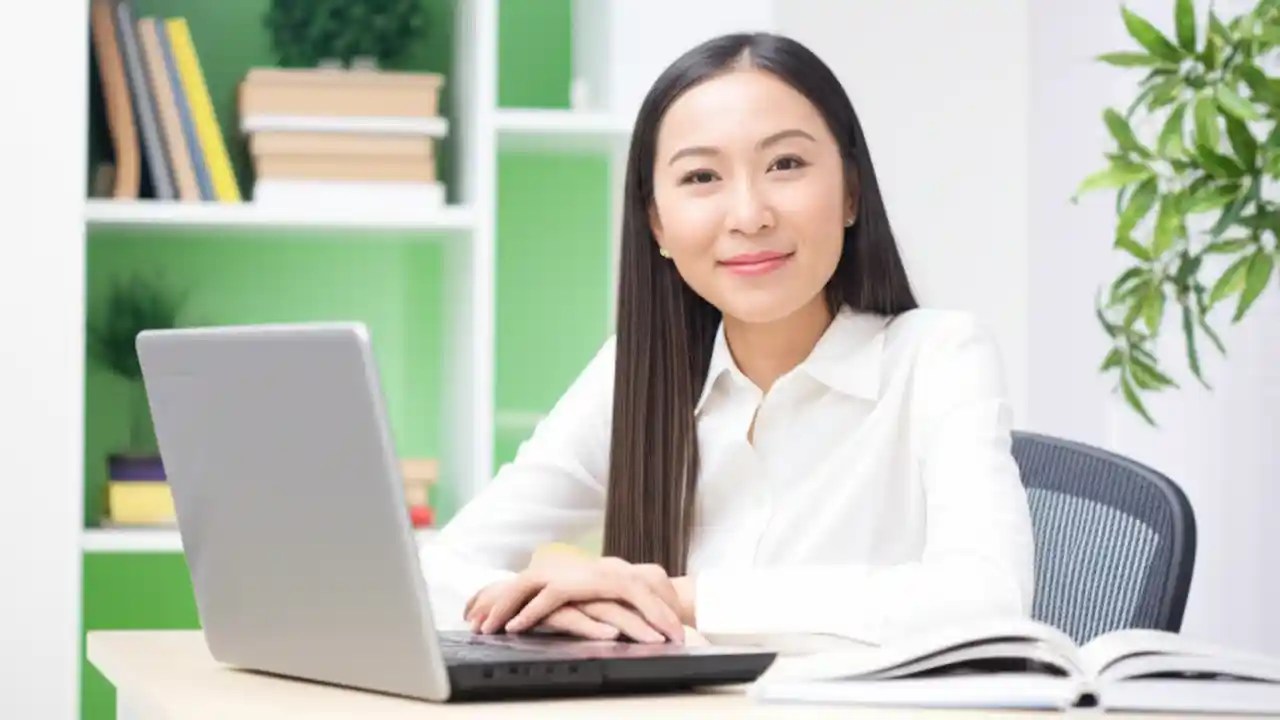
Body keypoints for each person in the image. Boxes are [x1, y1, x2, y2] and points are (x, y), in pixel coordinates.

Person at [419, 32, 1034, 647]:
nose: (749, 214)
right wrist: (548, 602)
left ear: (850, 191)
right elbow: (434, 571)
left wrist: (677, 598)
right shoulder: (638, 374)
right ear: (657, 221)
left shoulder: (939, 357)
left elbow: (986, 599)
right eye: (702, 176)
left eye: (785, 165)